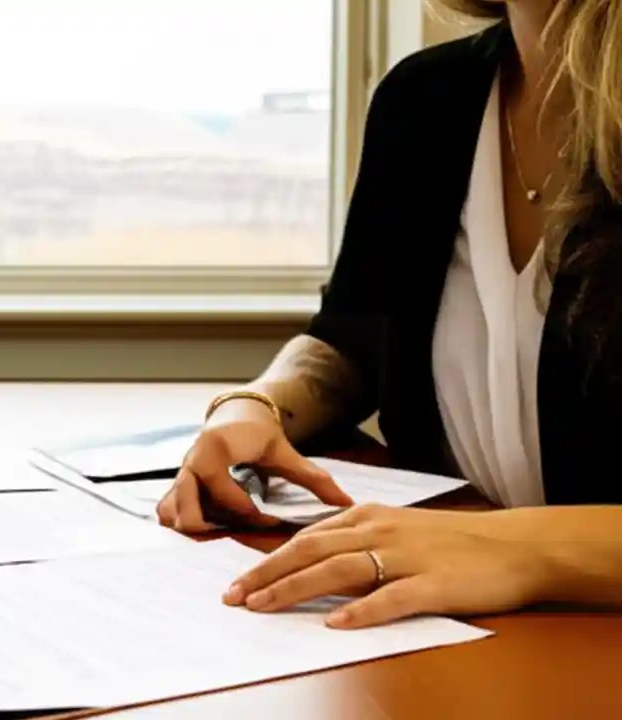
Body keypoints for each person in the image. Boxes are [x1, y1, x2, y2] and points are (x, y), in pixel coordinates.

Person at [158, 0, 622, 629]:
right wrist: (259, 405)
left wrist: (514, 549)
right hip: (452, 631)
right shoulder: (425, 97)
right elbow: (352, 337)